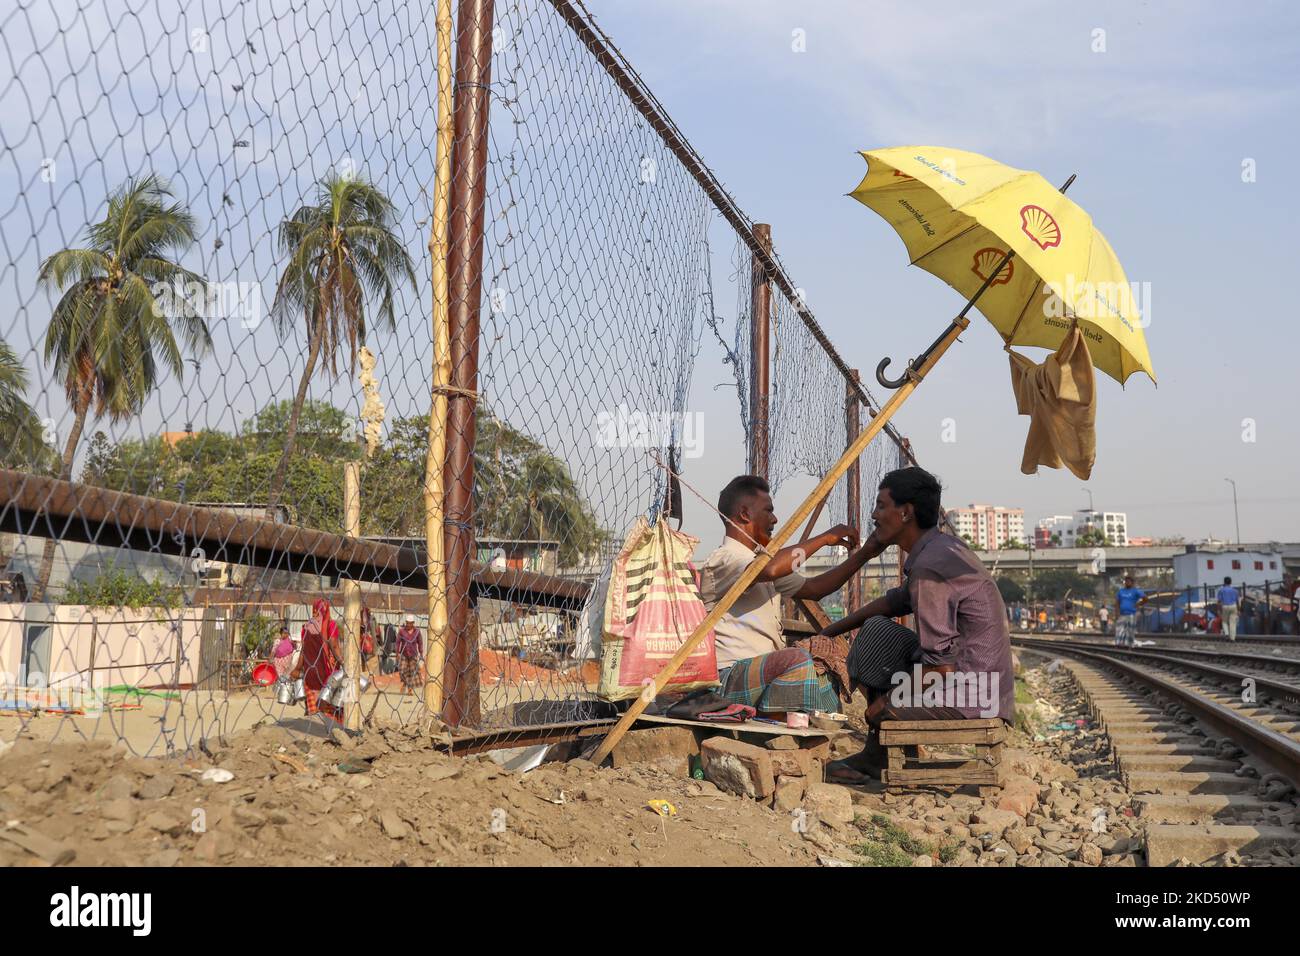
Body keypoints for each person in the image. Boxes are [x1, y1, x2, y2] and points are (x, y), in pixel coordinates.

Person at [822, 467, 1014, 780]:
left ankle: (878, 752)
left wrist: (883, 703)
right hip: (986, 687)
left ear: (907, 512)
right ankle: (878, 752)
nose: (874, 514)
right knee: (878, 629)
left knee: (879, 648)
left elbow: (940, 668)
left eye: (882, 506)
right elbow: (892, 602)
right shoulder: (942, 549)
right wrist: (828, 632)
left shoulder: (930, 568)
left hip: (973, 695)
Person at [696, 474, 875, 729]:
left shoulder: (759, 561)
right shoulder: (726, 559)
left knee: (829, 657)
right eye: (768, 511)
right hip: (728, 678)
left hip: (764, 674)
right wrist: (825, 538)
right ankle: (781, 718)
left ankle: (792, 715)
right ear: (745, 514)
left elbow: (815, 588)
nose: (775, 520)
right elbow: (769, 569)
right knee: (796, 659)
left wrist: (866, 553)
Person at [291, 598, 343, 721]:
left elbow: (303, 650)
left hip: (310, 675)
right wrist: (344, 663)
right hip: (328, 675)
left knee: (314, 712)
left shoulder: (307, 627)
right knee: (332, 710)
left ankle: (313, 727)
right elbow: (334, 646)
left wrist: (298, 668)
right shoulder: (330, 625)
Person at [395, 614, 424, 695]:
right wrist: (397, 653)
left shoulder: (417, 632)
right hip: (404, 654)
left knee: (412, 672)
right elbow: (397, 642)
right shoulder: (401, 631)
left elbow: (420, 643)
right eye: (407, 623)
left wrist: (421, 653)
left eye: (410, 623)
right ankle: (405, 683)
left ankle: (410, 689)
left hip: (413, 654)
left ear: (413, 623)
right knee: (402, 669)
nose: (408, 624)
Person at [1114, 575, 1146, 647]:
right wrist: (1116, 613)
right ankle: (1118, 645)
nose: (1127, 582)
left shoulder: (1135, 591)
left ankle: (1130, 646)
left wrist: (1138, 604)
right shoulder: (1121, 591)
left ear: (1132, 583)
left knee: (1130, 631)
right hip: (1122, 615)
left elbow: (1145, 599)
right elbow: (1117, 603)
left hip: (1132, 614)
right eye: (1126, 581)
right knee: (1119, 630)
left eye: (1129, 581)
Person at [1217, 576, 1240, 641]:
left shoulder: (1221, 590)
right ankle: (1232, 638)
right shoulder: (1235, 590)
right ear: (1231, 582)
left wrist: (1218, 609)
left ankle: (1226, 634)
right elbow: (1237, 601)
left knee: (1224, 621)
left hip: (1225, 606)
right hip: (1234, 606)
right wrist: (1238, 610)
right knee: (1233, 622)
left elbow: (1219, 601)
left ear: (1224, 582)